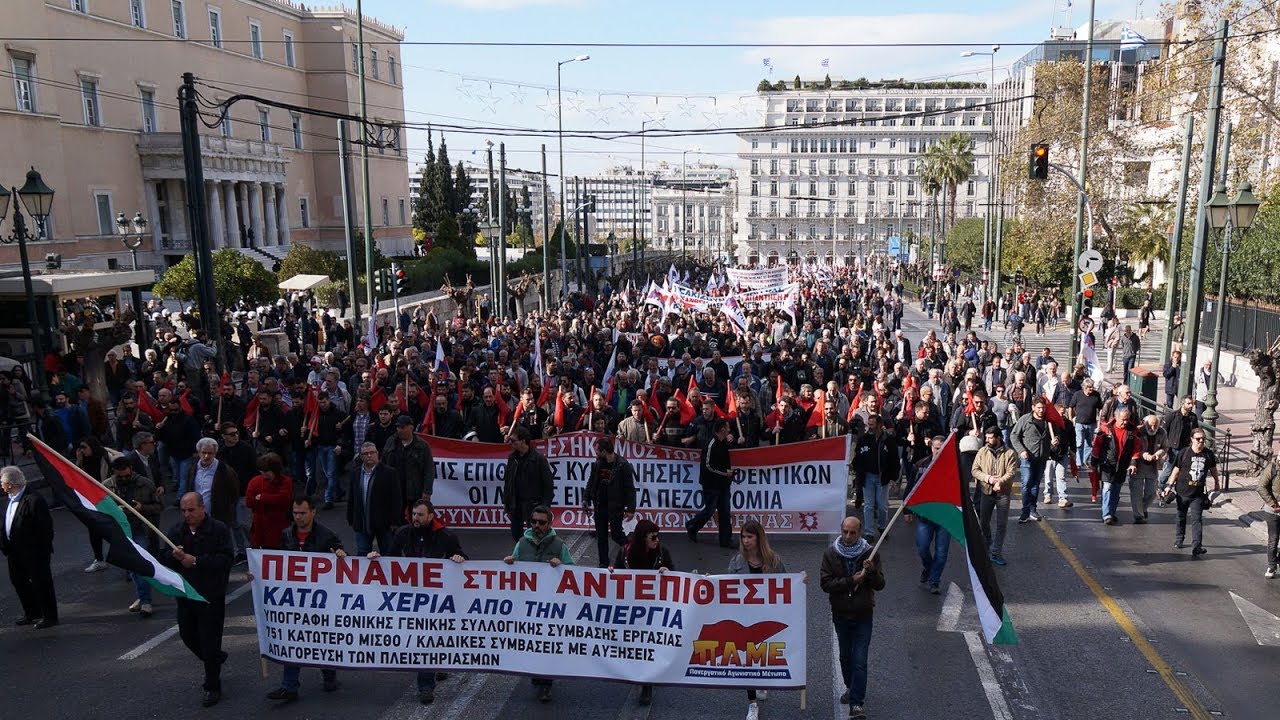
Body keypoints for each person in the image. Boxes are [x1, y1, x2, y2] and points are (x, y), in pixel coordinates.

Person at [371, 499, 467, 704]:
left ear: (431, 516)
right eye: (414, 514)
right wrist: (378, 559)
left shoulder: (447, 536)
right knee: (425, 637)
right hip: (414, 596)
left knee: (433, 635)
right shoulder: (403, 533)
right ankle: (429, 678)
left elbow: (462, 558)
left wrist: (459, 558)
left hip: (438, 597)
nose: (415, 518)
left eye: (420, 515)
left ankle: (429, 679)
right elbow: (391, 559)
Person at [267, 496, 346, 703]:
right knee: (293, 639)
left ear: (313, 512)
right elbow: (278, 563)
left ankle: (329, 675)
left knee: (322, 639)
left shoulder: (327, 536)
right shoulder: (287, 534)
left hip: (321, 601)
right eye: (295, 513)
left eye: (302, 513)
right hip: (294, 600)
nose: (298, 517)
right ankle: (289, 686)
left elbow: (345, 563)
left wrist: (341, 554)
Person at [163, 492, 233, 707]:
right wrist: (172, 557)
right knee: (187, 635)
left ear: (203, 508)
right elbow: (163, 558)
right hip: (186, 594)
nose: (187, 515)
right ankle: (215, 659)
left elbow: (225, 559)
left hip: (210, 595)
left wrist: (196, 561)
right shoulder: (176, 531)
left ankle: (212, 686)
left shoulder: (218, 529)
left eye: (191, 510)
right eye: (183, 511)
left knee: (210, 641)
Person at [503, 505, 574, 703]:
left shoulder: (559, 545)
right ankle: (537, 675)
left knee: (546, 644)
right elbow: (514, 563)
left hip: (550, 606)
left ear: (549, 524)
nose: (536, 525)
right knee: (532, 643)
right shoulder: (521, 543)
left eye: (541, 522)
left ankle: (545, 683)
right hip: (528, 605)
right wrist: (509, 563)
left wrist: (562, 566)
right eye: (533, 522)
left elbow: (574, 573)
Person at [820, 515, 884, 720]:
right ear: (841, 530)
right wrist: (850, 581)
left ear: (860, 532)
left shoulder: (870, 553)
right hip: (841, 614)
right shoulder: (830, 553)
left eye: (852, 533)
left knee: (859, 661)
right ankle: (850, 687)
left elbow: (880, 585)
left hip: (863, 615)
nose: (848, 536)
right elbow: (825, 584)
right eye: (845, 532)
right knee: (845, 657)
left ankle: (856, 704)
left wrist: (871, 572)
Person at [727, 520, 790, 718]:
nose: (745, 541)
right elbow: (726, 587)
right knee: (747, 660)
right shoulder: (737, 562)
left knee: (763, 655)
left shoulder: (774, 561)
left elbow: (787, 585)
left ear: (759, 538)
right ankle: (752, 703)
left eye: (750, 537)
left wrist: (800, 582)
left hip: (767, 617)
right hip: (744, 619)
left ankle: (762, 681)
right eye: (743, 537)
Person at [610, 518, 673, 707]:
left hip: (654, 607)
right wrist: (611, 572)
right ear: (642, 538)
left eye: (658, 536)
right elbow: (616, 573)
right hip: (631, 608)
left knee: (648, 644)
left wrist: (668, 571)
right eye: (653, 537)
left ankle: (647, 684)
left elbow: (675, 574)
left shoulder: (662, 552)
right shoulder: (626, 552)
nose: (657, 540)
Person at [1, 466, 58, 628]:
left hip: (34, 552)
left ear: (10, 484)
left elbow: (45, 529)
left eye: (2, 482)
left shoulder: (34, 500)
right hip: (14, 551)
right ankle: (32, 612)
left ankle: (49, 616)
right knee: (19, 581)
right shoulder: (11, 498)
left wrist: (41, 551)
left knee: (41, 583)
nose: (1, 485)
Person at [106, 456, 162, 618]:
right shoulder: (107, 487)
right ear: (114, 472)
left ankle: (145, 600)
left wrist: (141, 508)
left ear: (131, 469)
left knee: (139, 564)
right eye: (120, 477)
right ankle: (142, 595)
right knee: (132, 567)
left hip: (140, 530)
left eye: (127, 476)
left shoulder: (146, 483)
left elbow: (159, 506)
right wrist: (114, 511)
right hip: (120, 532)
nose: (124, 479)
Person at [583, 436, 637, 567]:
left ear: (604, 451)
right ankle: (603, 564)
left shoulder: (622, 465)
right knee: (601, 537)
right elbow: (591, 481)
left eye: (597, 451)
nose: (596, 453)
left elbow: (630, 488)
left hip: (615, 506)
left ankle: (632, 552)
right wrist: (586, 498)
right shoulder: (598, 463)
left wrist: (631, 509)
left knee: (616, 535)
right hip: (600, 505)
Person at [1166, 430, 1219, 556]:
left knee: (1197, 519)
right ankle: (1179, 539)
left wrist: (1217, 482)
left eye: (1203, 439)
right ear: (1192, 439)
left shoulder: (1208, 454)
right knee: (1181, 516)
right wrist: (1169, 486)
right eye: (1198, 439)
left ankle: (1197, 546)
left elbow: (1213, 469)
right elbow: (1176, 470)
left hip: (1198, 493)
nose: (1201, 441)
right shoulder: (1184, 453)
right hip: (1182, 491)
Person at [686, 419, 736, 548]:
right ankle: (692, 525)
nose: (729, 429)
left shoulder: (723, 443)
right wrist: (725, 473)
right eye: (727, 427)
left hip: (723, 483)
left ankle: (726, 540)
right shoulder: (711, 444)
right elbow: (708, 466)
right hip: (711, 484)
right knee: (710, 510)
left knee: (725, 512)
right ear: (722, 429)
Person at [972, 427, 1017, 566]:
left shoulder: (1009, 453)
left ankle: (996, 552)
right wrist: (989, 479)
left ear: (998, 438)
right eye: (986, 437)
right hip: (986, 492)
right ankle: (987, 544)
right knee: (984, 522)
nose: (987, 440)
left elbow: (1011, 472)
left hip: (1003, 493)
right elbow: (975, 470)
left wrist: (1000, 482)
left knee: (1001, 524)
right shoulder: (982, 452)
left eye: (990, 437)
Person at [347, 442, 401, 555]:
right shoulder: (355, 473)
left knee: (388, 554)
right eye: (365, 453)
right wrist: (350, 518)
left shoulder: (390, 473)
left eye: (372, 452)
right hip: (361, 522)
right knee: (362, 555)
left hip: (384, 524)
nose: (369, 455)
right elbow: (352, 497)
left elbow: (396, 499)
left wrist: (395, 521)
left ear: (377, 454)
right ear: (361, 456)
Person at [852, 414, 900, 540]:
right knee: (868, 506)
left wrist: (893, 477)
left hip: (882, 477)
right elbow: (857, 456)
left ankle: (882, 527)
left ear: (880, 425)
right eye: (869, 425)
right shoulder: (864, 439)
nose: (870, 427)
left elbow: (895, 459)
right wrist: (854, 467)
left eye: (872, 425)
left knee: (882, 506)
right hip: (867, 477)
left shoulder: (888, 440)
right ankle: (869, 532)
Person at [502, 427, 555, 542]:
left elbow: (548, 484)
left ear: (523, 441)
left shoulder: (538, 459)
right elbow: (508, 481)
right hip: (516, 505)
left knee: (534, 536)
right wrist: (507, 502)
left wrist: (545, 507)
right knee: (516, 534)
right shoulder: (512, 458)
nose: (511, 443)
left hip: (533, 505)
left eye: (514, 441)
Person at [1091, 405, 1139, 525]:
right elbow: (1097, 445)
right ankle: (1106, 514)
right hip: (1108, 463)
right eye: (1123, 419)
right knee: (1107, 488)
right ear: (1116, 418)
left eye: (1127, 419)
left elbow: (1136, 448)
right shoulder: (1105, 429)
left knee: (1116, 490)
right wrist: (1094, 462)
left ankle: (1111, 513)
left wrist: (1133, 463)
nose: (1125, 422)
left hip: (1122, 465)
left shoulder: (1133, 430)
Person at [1010, 397, 1054, 523]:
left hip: (1042, 457)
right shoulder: (1025, 419)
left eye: (1043, 408)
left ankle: (1033, 510)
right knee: (1026, 483)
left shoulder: (1049, 421)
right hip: (1027, 457)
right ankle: (1025, 512)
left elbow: (1053, 438)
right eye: (1039, 408)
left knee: (1035, 484)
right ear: (1033, 407)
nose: (1041, 410)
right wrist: (1021, 450)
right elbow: (1014, 435)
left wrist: (1054, 443)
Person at [382, 415, 434, 516]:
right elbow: (383, 463)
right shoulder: (391, 441)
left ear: (411, 427)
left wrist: (427, 491)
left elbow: (429, 470)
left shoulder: (422, 446)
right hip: (394, 490)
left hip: (415, 491)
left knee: (416, 518)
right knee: (395, 518)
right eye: (398, 427)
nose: (399, 430)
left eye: (402, 427)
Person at [185, 437, 240, 533]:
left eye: (210, 453)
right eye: (203, 452)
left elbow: (234, 494)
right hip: (197, 516)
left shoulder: (225, 471)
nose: (206, 456)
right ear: (198, 452)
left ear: (215, 453)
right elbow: (189, 489)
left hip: (217, 518)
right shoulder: (193, 469)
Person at [243, 453, 293, 550]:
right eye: (262, 471)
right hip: (260, 527)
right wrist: (272, 500)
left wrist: (262, 498)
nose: (264, 474)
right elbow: (249, 502)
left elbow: (284, 499)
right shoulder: (255, 481)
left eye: (266, 471)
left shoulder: (285, 481)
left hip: (279, 525)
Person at [1133, 413, 1167, 524]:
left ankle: (1142, 508)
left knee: (1151, 492)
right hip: (1138, 464)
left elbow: (1165, 447)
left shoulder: (1162, 432)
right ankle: (1138, 515)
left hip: (1153, 465)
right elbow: (1132, 447)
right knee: (1137, 492)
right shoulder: (1138, 431)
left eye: (1155, 426)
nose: (1152, 428)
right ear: (1145, 423)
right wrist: (1143, 454)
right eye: (1150, 425)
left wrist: (1158, 454)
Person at [1257, 459, 1280, 578]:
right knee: (1273, 539)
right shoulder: (1272, 468)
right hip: (1273, 511)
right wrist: (1273, 504)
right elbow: (1261, 487)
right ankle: (1272, 566)